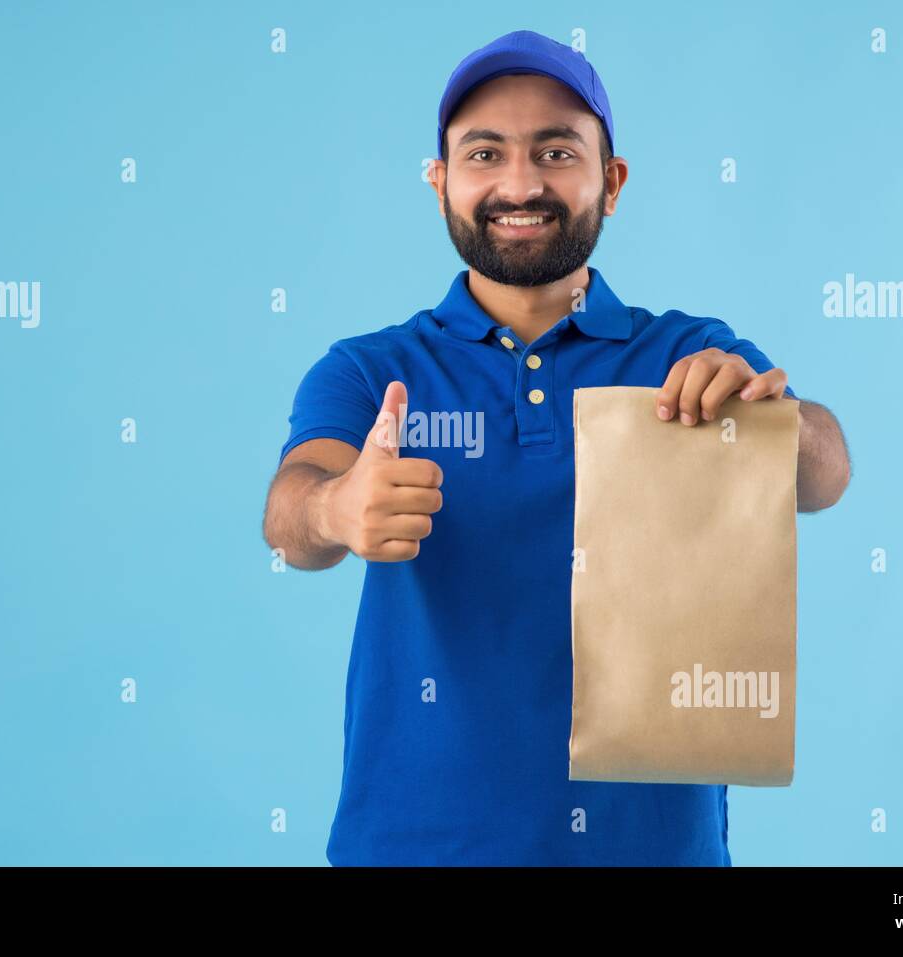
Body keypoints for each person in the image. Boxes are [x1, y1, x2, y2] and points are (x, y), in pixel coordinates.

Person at [262, 30, 850, 865]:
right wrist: (335, 506)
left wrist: (758, 416)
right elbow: (291, 513)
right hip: (412, 844)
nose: (520, 182)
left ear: (610, 182)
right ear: (441, 185)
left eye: (556, 151)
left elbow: (827, 472)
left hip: (652, 849)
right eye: (484, 153)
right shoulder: (370, 369)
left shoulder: (685, 353)